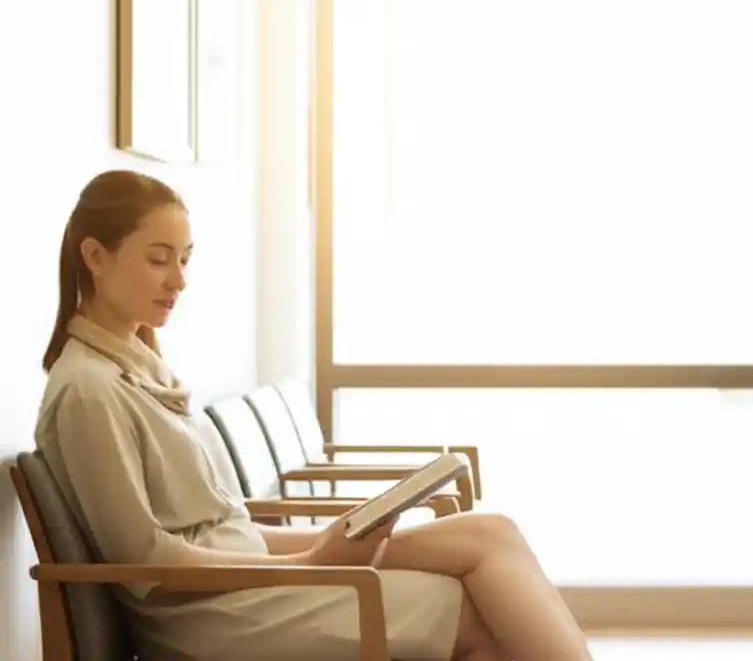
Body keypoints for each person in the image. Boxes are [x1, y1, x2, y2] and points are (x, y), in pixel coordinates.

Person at [35, 169, 593, 661]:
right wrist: (309, 561)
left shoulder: (143, 369)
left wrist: (324, 541)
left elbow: (218, 527)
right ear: (95, 256)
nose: (179, 279)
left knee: (493, 532)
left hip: (243, 581)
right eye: (159, 259)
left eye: (184, 259)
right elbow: (148, 561)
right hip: (209, 617)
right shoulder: (88, 391)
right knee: (477, 613)